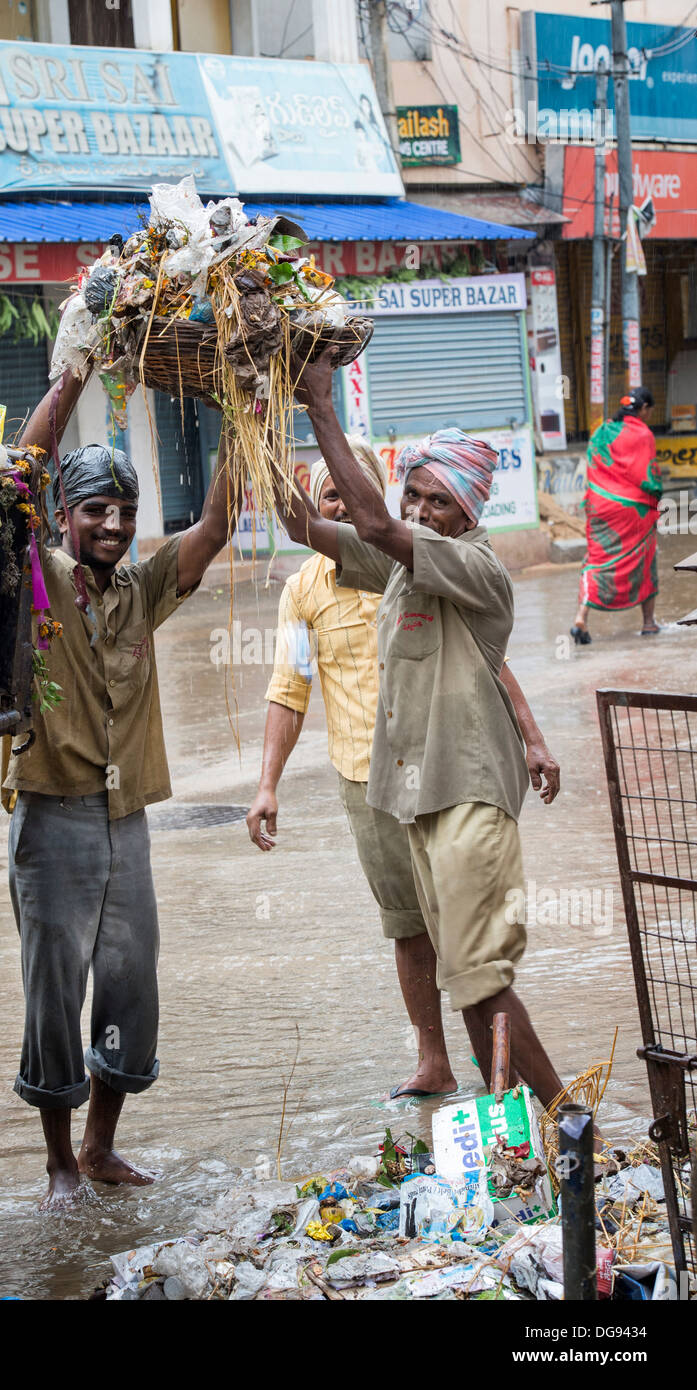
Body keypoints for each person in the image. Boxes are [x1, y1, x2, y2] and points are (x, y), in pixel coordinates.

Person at [272, 349, 570, 1118]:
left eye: (438, 500)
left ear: (469, 511)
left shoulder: (476, 567)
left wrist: (322, 406)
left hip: (469, 797)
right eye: (415, 496)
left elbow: (371, 520)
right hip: (414, 801)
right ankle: (514, 1131)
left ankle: (572, 1119)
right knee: (462, 979)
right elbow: (303, 522)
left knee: (482, 977)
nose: (421, 511)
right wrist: (257, 415)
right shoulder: (399, 569)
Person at [5, 371, 239, 1208]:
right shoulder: (39, 582)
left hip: (125, 825)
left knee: (130, 987)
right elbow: (24, 475)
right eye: (95, 511)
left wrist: (243, 411)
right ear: (65, 520)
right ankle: (60, 1164)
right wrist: (72, 374)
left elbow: (214, 526)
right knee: (53, 992)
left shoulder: (141, 594)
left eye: (125, 513)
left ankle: (102, 1149)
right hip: (51, 822)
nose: (111, 526)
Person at [571, 387, 663, 644]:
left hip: (600, 506)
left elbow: (593, 466)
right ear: (644, 409)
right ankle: (648, 623)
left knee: (596, 559)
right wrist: (658, 496)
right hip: (633, 509)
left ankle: (581, 617)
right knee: (644, 559)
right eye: (650, 411)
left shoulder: (602, 431)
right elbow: (648, 475)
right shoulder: (643, 434)